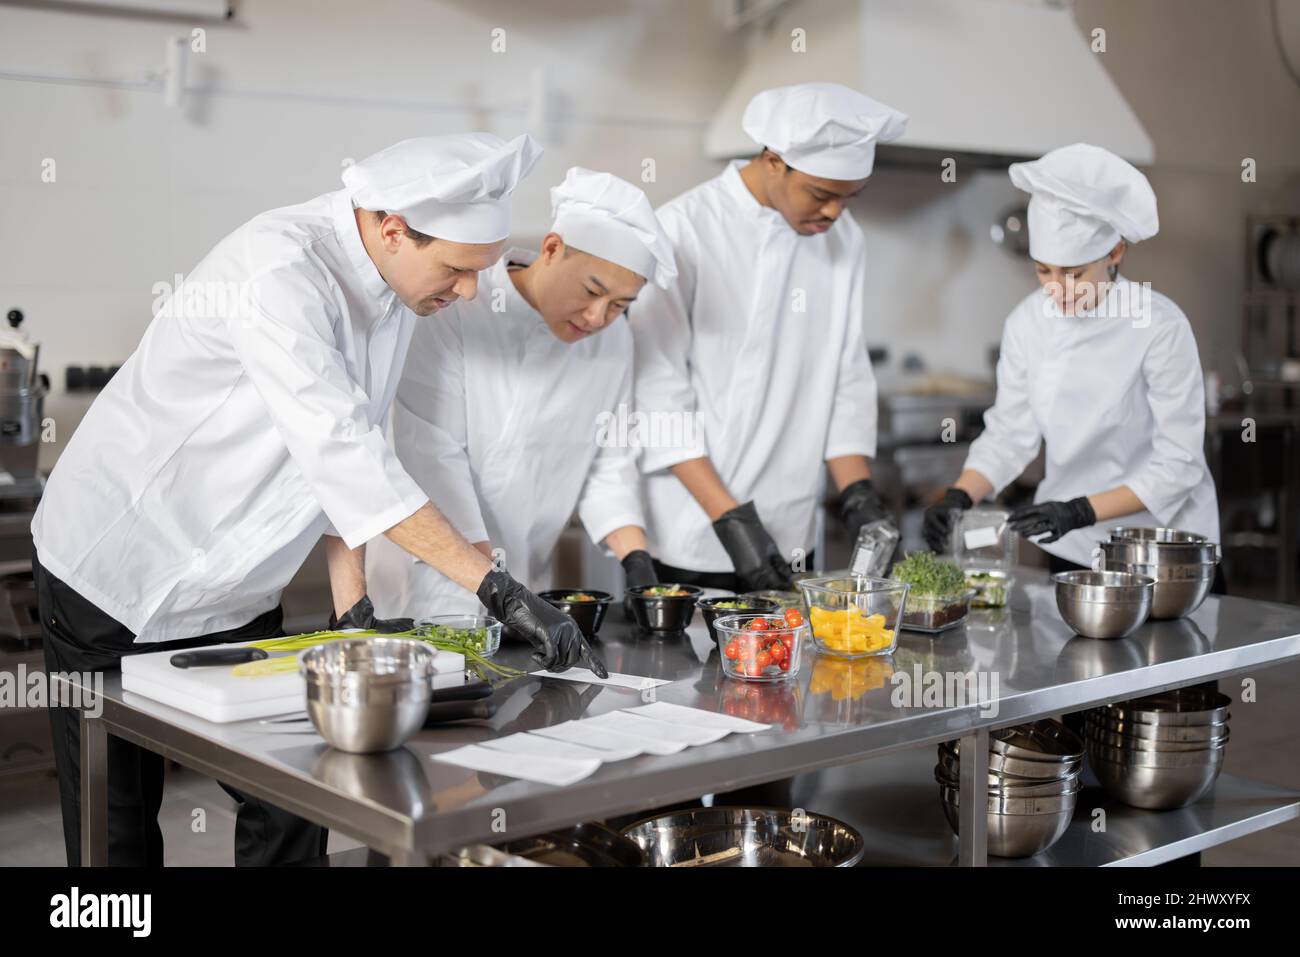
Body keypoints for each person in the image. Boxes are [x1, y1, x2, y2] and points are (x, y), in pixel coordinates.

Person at [33, 132, 605, 867]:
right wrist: (500, 590)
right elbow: (350, 455)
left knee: (289, 798)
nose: (468, 292)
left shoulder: (399, 293)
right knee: (117, 829)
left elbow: (347, 461)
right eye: (459, 270)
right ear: (393, 229)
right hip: (117, 569)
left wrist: (351, 612)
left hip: (237, 591)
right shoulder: (280, 271)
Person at [631, 82, 907, 593]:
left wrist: (858, 493)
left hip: (793, 524)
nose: (833, 214)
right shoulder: (682, 229)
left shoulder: (845, 242)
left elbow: (845, 372)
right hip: (693, 526)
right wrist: (733, 522)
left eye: (849, 199)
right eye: (821, 194)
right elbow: (657, 395)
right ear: (774, 160)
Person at [367, 166, 676, 617]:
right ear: (552, 248)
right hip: (426, 571)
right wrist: (487, 581)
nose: (596, 318)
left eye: (619, 306)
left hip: (525, 585)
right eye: (592, 291)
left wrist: (637, 561)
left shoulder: (614, 342)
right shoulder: (457, 307)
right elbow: (433, 453)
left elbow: (609, 462)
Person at [922, 143, 1220, 572]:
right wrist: (960, 495)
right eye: (1044, 271)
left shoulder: (1159, 325)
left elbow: (1180, 464)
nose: (1057, 289)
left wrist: (1081, 509)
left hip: (1162, 548)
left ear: (1115, 252)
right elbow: (1010, 434)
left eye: (1074, 273)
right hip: (1069, 545)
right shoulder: (1026, 323)